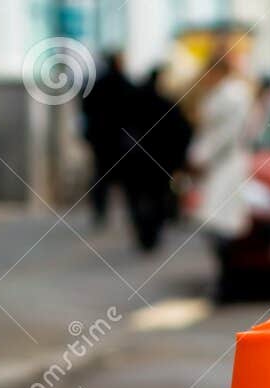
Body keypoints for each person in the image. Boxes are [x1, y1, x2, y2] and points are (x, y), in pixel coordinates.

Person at [187, 52, 254, 298]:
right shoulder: (222, 94)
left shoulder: (233, 95)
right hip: (218, 167)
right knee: (216, 225)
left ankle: (229, 282)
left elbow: (223, 135)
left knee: (222, 226)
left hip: (226, 166)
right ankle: (226, 280)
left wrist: (200, 157)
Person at [119, 67, 193, 252]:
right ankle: (151, 233)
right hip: (159, 162)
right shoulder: (167, 105)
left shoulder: (130, 104)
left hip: (135, 161)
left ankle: (144, 232)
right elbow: (183, 132)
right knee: (158, 197)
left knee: (136, 197)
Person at [80, 50, 132, 228]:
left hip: (102, 138)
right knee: (121, 177)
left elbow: (86, 108)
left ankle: (100, 212)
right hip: (117, 139)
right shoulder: (123, 83)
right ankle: (127, 213)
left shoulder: (97, 84)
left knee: (101, 175)